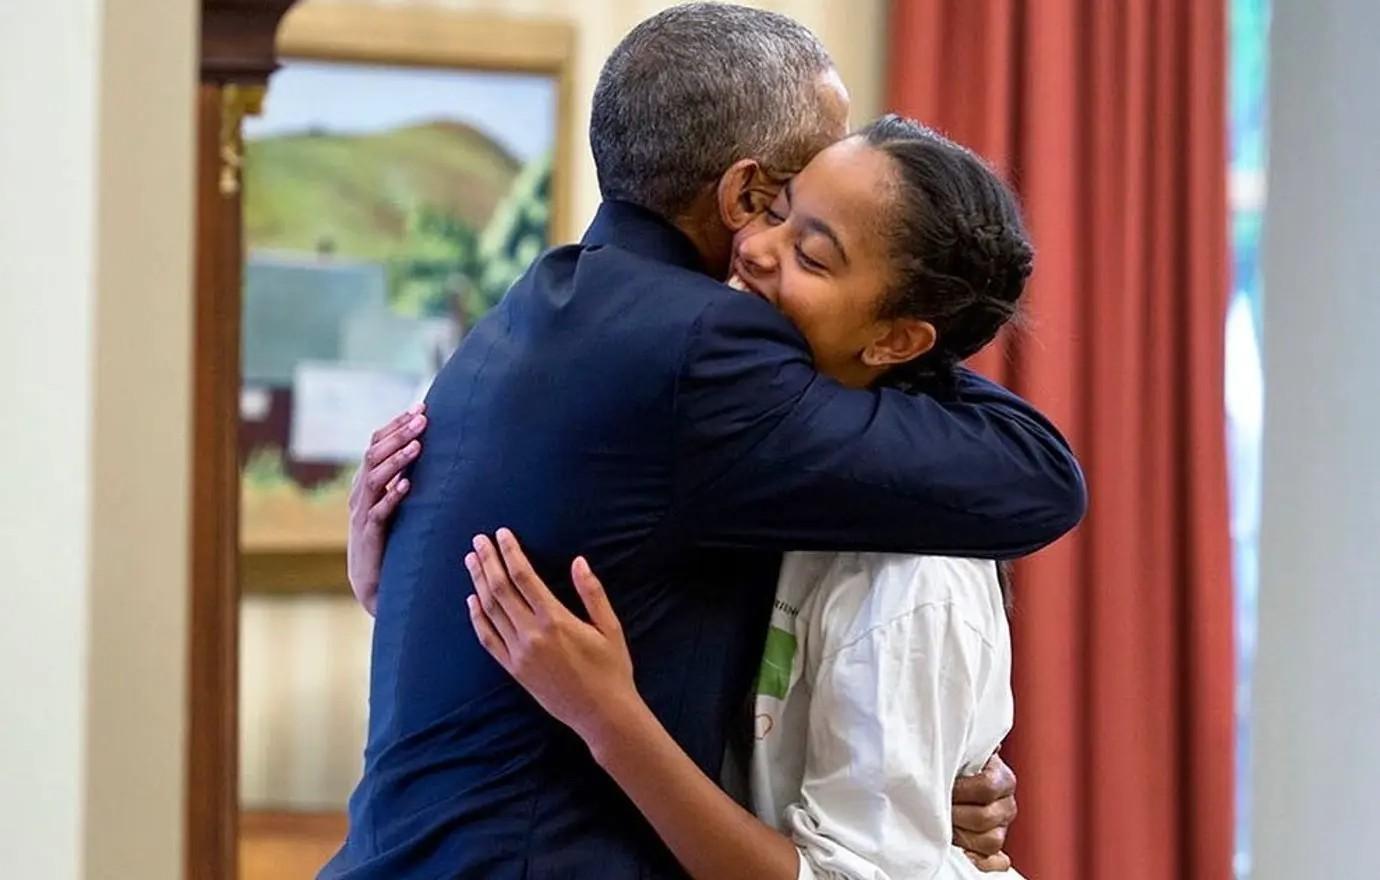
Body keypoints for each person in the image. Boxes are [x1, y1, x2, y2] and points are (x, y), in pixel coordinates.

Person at [322, 6, 1084, 879]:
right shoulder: (707, 353)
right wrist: (902, 340)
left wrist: (921, 769)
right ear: (747, 195)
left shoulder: (534, 311)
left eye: (818, 240)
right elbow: (1040, 480)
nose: (768, 248)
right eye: (790, 204)